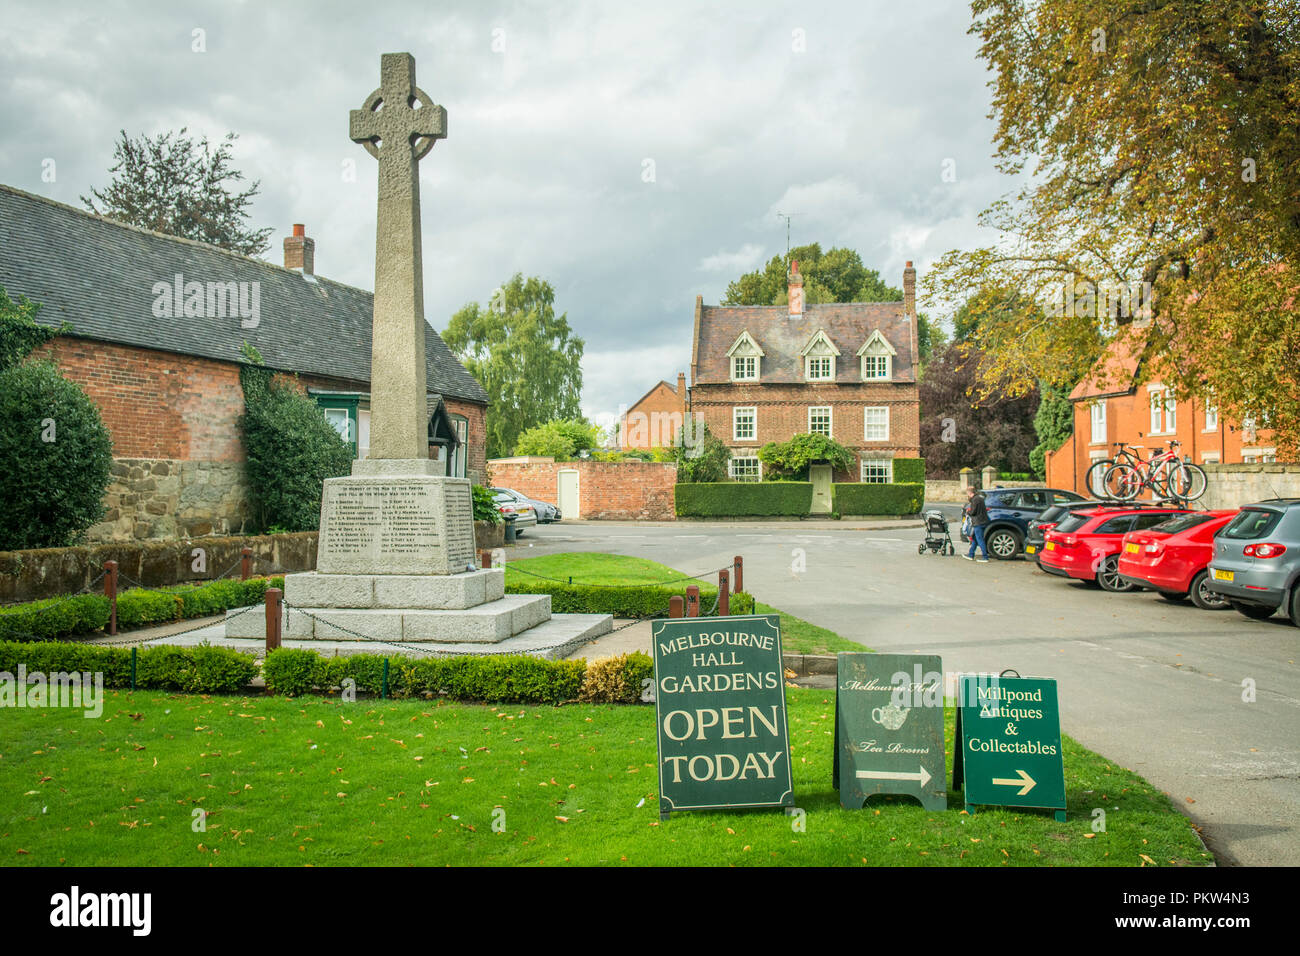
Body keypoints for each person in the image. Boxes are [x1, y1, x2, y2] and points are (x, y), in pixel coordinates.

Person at [962, 485, 990, 563]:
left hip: (978, 522)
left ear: (970, 492)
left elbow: (973, 512)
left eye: (967, 493)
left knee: (980, 539)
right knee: (975, 539)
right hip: (983, 521)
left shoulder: (974, 500)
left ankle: (985, 557)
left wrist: (968, 511)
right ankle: (971, 554)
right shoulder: (980, 498)